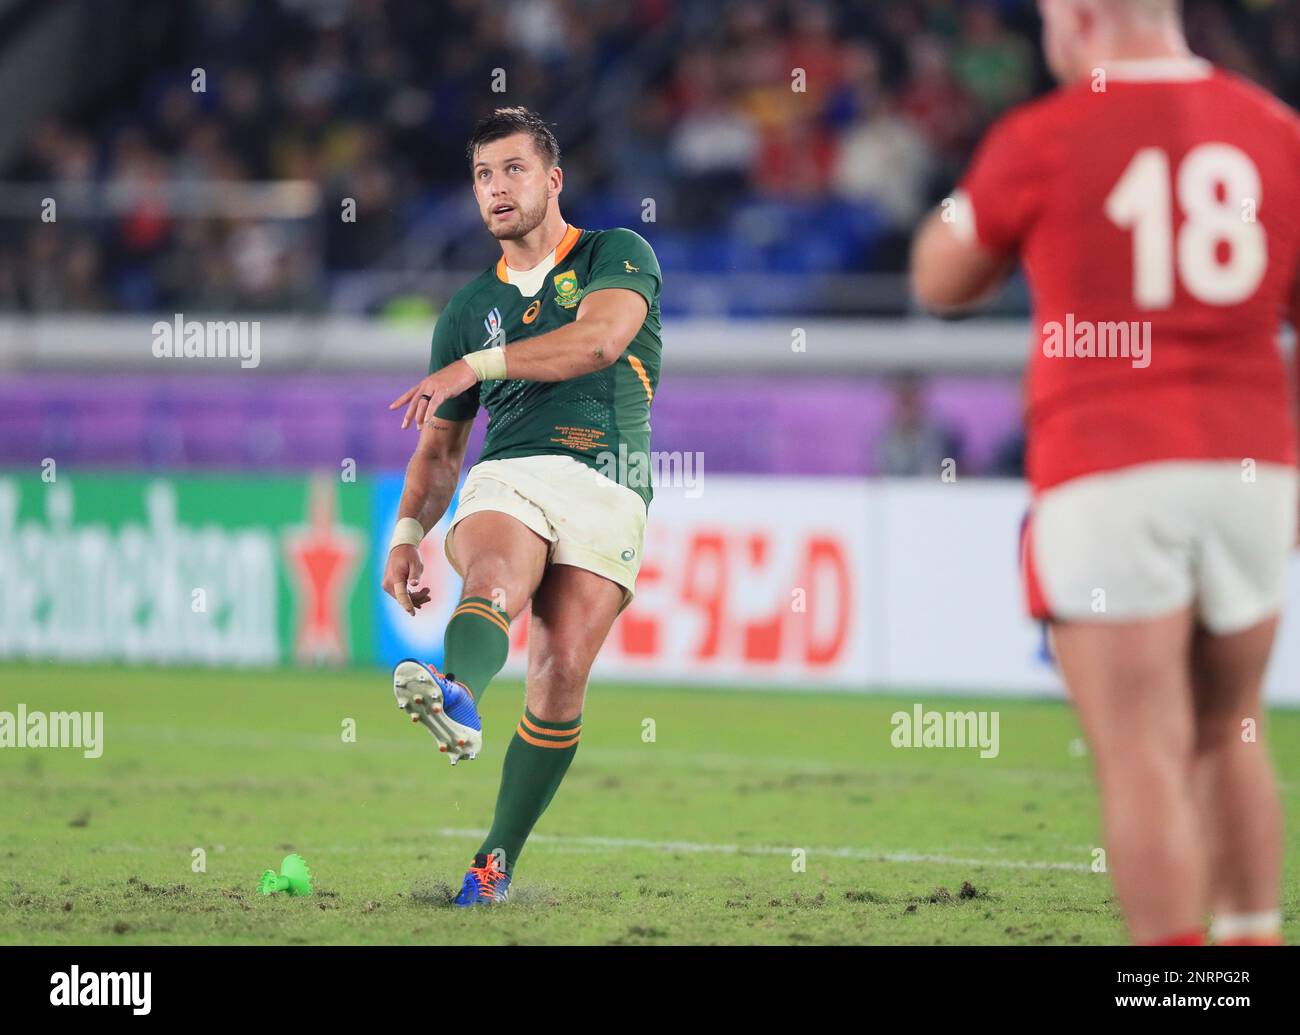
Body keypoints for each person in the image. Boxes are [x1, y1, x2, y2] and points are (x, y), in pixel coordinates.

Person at [911, 0, 1300, 946]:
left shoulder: (1043, 132)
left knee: (1140, 757)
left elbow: (940, 280)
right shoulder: (1274, 129)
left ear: (1079, 16)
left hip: (1107, 462)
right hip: (1253, 464)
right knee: (1231, 729)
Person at [382, 107, 663, 906]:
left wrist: (476, 365)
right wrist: (408, 531)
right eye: (481, 175)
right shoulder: (466, 309)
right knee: (496, 575)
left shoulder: (616, 253)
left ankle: (492, 863)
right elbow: (439, 452)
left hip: (608, 482)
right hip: (513, 473)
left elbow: (598, 343)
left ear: (552, 180)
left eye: (512, 170)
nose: (496, 188)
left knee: (561, 675)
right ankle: (457, 690)